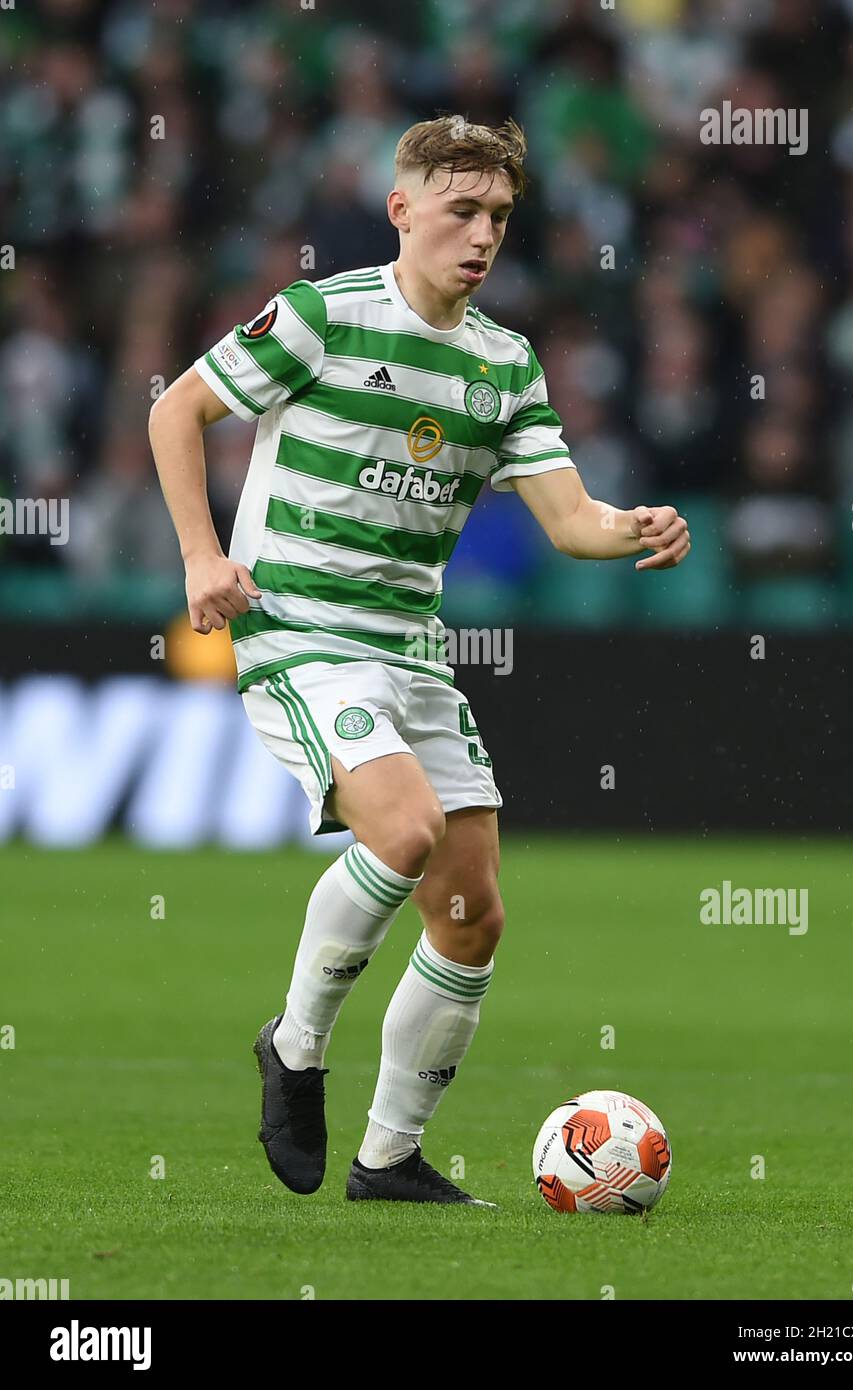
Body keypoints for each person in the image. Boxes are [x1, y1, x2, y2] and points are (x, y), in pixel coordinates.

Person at [148, 115, 690, 1207]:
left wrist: (634, 526)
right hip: (301, 631)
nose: (483, 234)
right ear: (402, 211)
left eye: (498, 216)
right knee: (402, 832)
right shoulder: (323, 315)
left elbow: (569, 519)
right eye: (461, 211)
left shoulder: (503, 364)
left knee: (473, 909)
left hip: (413, 650)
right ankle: (295, 1049)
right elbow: (178, 409)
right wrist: (203, 556)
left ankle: (389, 1160)